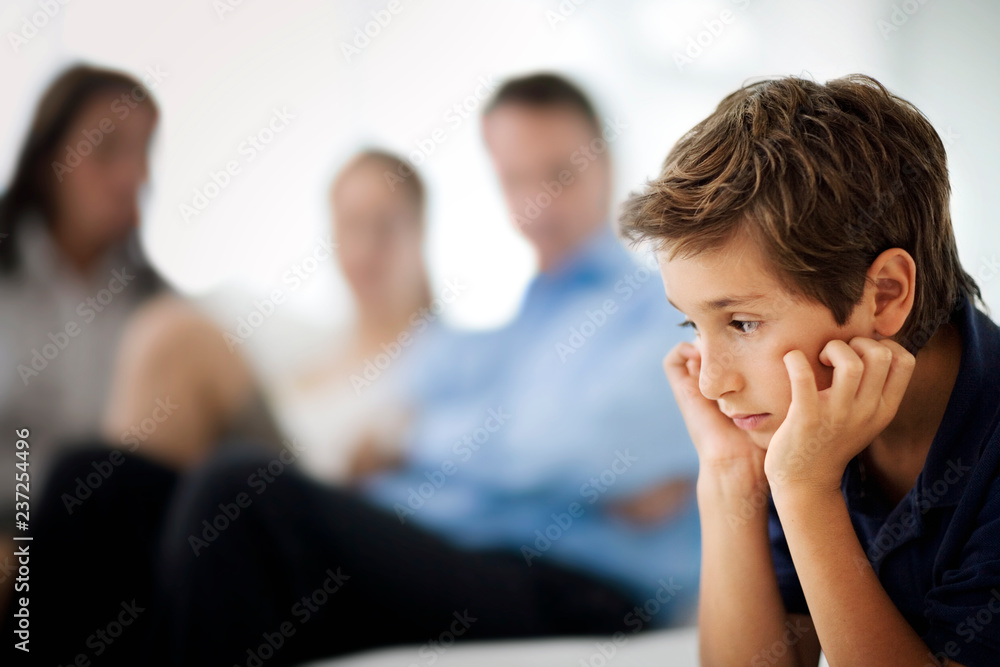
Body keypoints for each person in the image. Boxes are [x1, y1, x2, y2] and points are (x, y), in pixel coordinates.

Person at [619, 73, 998, 666]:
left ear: (885, 295)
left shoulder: (810, 444)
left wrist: (805, 492)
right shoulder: (803, 422)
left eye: (743, 323)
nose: (712, 382)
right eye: (690, 324)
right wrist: (729, 475)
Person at [0, 64, 163, 616]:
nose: (132, 176)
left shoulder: (158, 314)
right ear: (49, 158)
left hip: (112, 549)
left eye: (144, 153)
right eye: (107, 149)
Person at [270, 149, 434, 482]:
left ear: (418, 231)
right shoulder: (304, 352)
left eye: (384, 226)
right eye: (351, 225)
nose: (364, 251)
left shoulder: (442, 362)